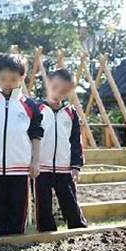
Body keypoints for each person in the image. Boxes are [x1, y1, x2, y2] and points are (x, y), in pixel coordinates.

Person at [0, 53, 43, 236]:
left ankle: (16, 245)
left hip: (20, 169)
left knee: (18, 210)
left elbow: (36, 135)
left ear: (22, 78)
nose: (7, 82)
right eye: (3, 78)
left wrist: (35, 161)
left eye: (13, 79)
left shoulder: (30, 106)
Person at [35, 69, 88, 231]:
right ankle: (46, 230)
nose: (58, 93)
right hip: (41, 167)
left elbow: (75, 141)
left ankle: (77, 227)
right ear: (48, 84)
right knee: (43, 201)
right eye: (55, 87)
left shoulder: (70, 113)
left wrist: (76, 165)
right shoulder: (36, 110)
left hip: (64, 167)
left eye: (64, 91)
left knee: (69, 199)